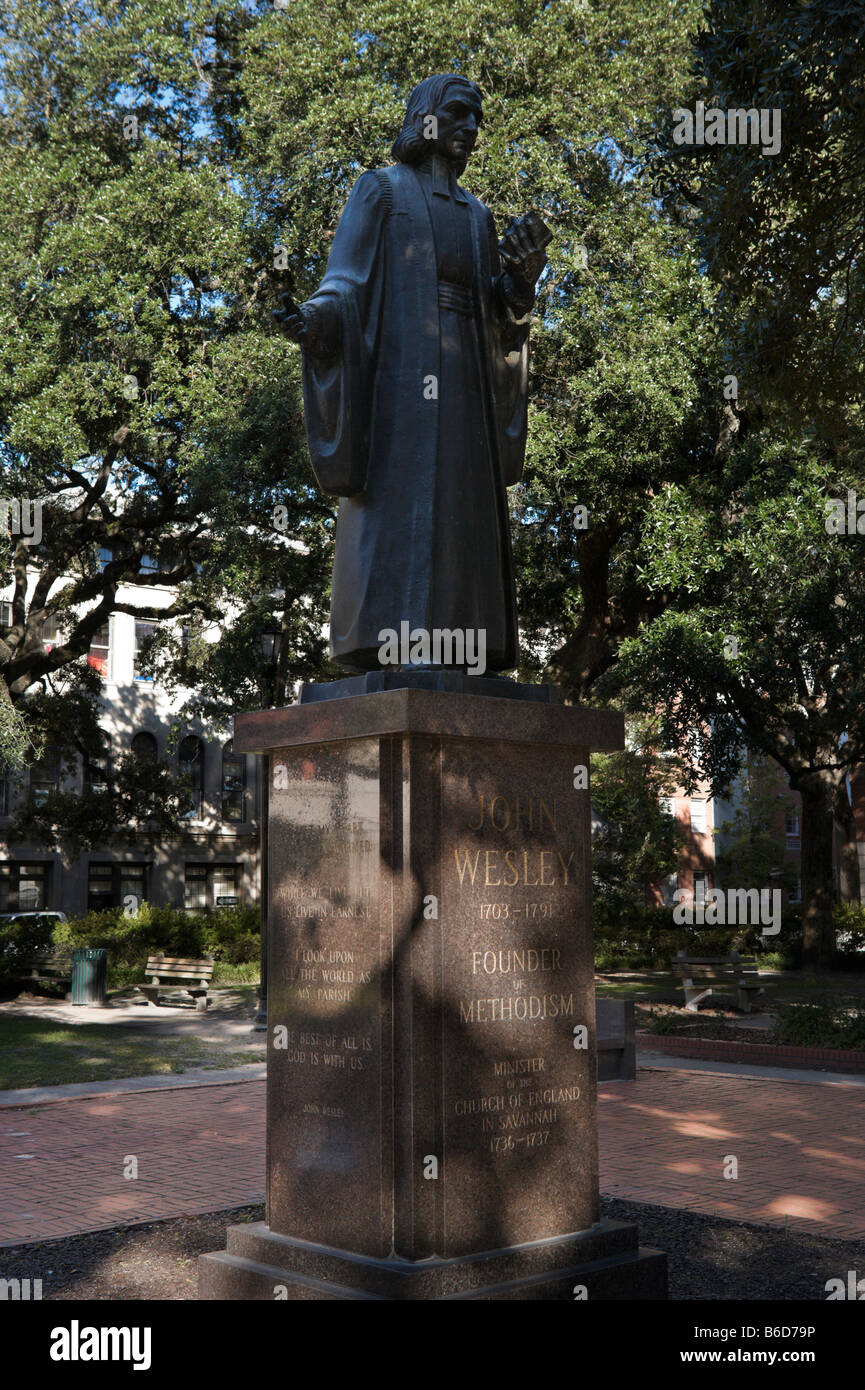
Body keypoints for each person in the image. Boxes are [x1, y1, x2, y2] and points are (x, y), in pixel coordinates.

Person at [275, 73, 548, 674]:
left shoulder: (478, 216)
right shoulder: (381, 192)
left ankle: (465, 645)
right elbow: (344, 285)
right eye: (457, 114)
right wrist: (313, 323)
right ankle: (386, 636)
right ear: (425, 118)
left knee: (463, 507)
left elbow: (498, 313)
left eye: (477, 118)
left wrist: (522, 282)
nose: (470, 128)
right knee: (400, 503)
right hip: (399, 383)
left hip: (467, 385)